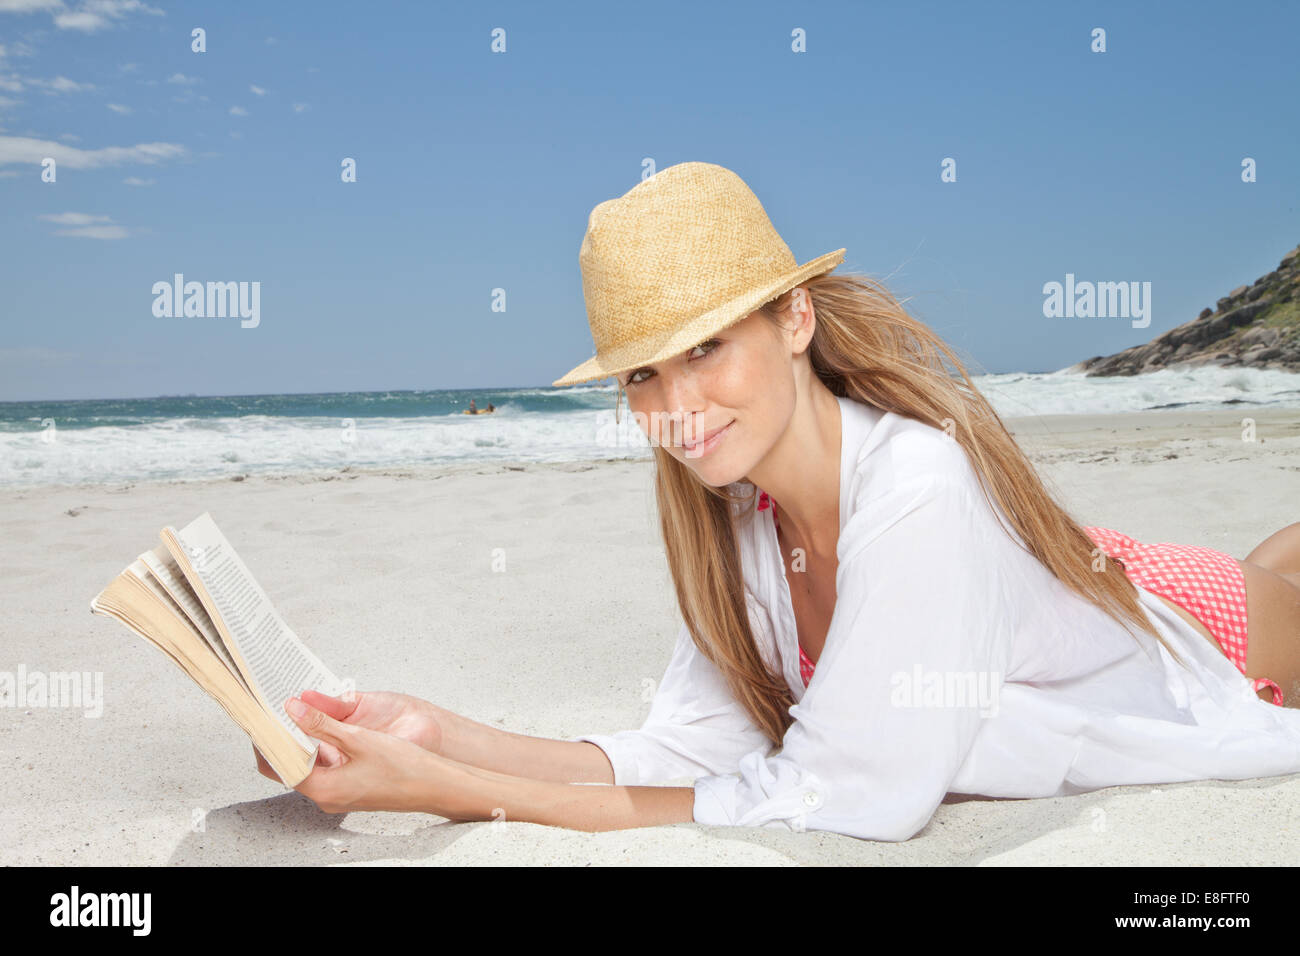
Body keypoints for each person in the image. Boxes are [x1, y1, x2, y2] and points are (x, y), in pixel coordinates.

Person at [260, 161, 1300, 840]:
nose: (674, 407)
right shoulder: (744, 525)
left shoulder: (919, 482)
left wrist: (449, 794)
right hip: (1059, 584)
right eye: (641, 375)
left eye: (705, 347)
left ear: (795, 320)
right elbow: (691, 752)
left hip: (1180, 623)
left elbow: (839, 798)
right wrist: (442, 736)